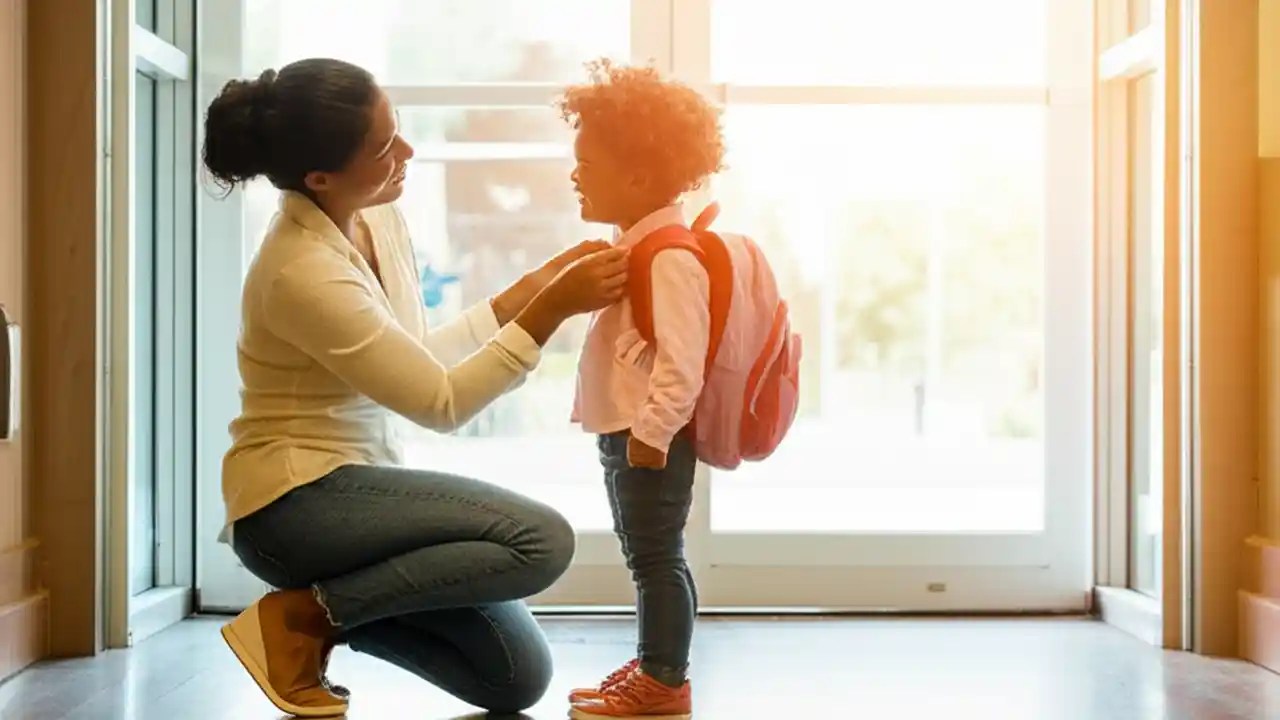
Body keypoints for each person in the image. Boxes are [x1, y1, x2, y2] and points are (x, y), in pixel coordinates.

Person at [202, 57, 629, 718]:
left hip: (358, 493)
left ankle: (328, 609)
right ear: (320, 178)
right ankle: (303, 618)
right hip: (295, 505)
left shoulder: (375, 217)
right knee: (541, 541)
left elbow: (419, 358)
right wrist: (552, 311)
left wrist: (535, 288)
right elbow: (441, 402)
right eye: (383, 148)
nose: (408, 152)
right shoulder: (300, 270)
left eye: (396, 128)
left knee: (514, 678)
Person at [558, 60, 727, 720]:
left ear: (635, 177)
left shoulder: (669, 255)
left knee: (658, 559)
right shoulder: (639, 246)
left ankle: (664, 681)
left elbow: (683, 365)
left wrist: (652, 436)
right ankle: (656, 664)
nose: (574, 176)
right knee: (647, 556)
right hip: (626, 432)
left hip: (645, 438)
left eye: (587, 165)